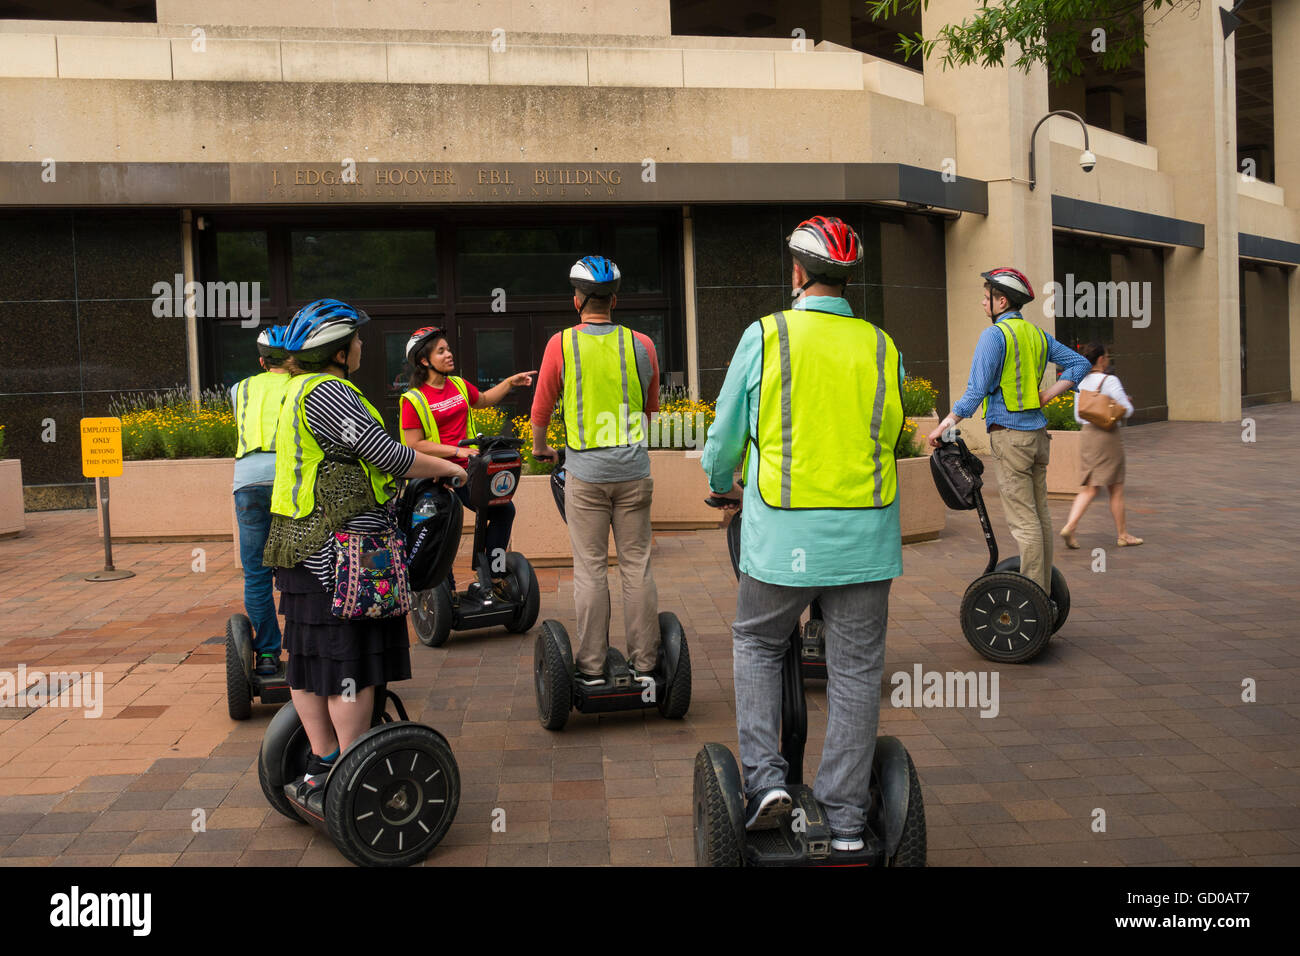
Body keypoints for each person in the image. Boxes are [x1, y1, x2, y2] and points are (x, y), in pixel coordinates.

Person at [701, 216, 905, 853]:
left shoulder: (766, 334)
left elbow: (726, 432)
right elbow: (894, 433)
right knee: (854, 670)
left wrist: (721, 480)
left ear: (796, 273)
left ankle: (765, 783)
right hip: (866, 538)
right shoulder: (882, 344)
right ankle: (846, 819)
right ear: (848, 278)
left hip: (782, 537)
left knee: (759, 642)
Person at [262, 299, 466, 815]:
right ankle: (344, 767)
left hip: (300, 548)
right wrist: (450, 468)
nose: (361, 345)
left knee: (310, 662)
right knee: (351, 663)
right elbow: (388, 454)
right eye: (354, 339)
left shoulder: (291, 391)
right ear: (337, 351)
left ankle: (321, 761)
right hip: (343, 555)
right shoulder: (331, 392)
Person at [530, 256, 661, 687]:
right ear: (615, 300)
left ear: (577, 300)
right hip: (633, 468)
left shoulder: (561, 344)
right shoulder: (642, 344)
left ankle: (590, 666)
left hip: (586, 472)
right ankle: (646, 663)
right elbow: (651, 411)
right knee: (636, 565)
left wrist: (542, 448)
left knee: (589, 568)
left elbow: (541, 409)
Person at [926, 268, 1092, 595]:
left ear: (1002, 301)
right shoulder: (1036, 334)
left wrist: (943, 427)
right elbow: (1080, 365)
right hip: (1038, 438)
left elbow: (976, 391)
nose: (982, 302)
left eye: (987, 297)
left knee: (1023, 522)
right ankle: (1042, 589)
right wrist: (1047, 395)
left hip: (1010, 437)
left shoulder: (995, 336)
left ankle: (1032, 596)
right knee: (1041, 517)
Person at [399, 326, 534, 598]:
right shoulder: (413, 399)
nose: (449, 354)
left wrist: (509, 383)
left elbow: (483, 400)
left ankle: (493, 573)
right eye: (441, 351)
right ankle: (443, 591)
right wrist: (455, 451)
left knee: (502, 511)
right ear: (424, 361)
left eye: (448, 349)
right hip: (437, 476)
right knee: (444, 525)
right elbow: (412, 444)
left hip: (469, 471)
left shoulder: (458, 385)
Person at [231, 325, 292, 676]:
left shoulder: (240, 388)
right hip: (289, 481)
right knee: (305, 567)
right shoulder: (302, 385)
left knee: (256, 575)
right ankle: (306, 646)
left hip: (248, 483)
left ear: (261, 361)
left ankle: (268, 655)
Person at [1059, 342, 1143, 548]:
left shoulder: (1080, 381)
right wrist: (1119, 406)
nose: (1107, 360)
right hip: (1107, 436)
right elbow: (1128, 410)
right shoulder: (1110, 380)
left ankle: (1070, 526)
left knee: (1089, 487)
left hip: (1087, 435)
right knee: (1115, 488)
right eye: (1106, 356)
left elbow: (1078, 416)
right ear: (1100, 359)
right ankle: (1123, 534)